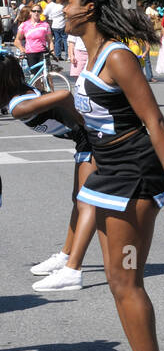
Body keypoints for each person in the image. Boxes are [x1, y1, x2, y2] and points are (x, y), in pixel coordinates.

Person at [63, 0, 164, 351]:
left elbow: (154, 120)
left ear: (89, 9)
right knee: (117, 281)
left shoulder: (117, 58)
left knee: (127, 279)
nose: (64, 8)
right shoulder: (89, 53)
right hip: (108, 172)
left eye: (71, 1)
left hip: (135, 175)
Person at [0, 53, 98, 292]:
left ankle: (73, 270)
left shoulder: (18, 107)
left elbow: (64, 95)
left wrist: (81, 121)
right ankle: (66, 255)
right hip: (84, 140)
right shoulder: (22, 92)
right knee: (79, 200)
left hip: (93, 139)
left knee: (87, 202)